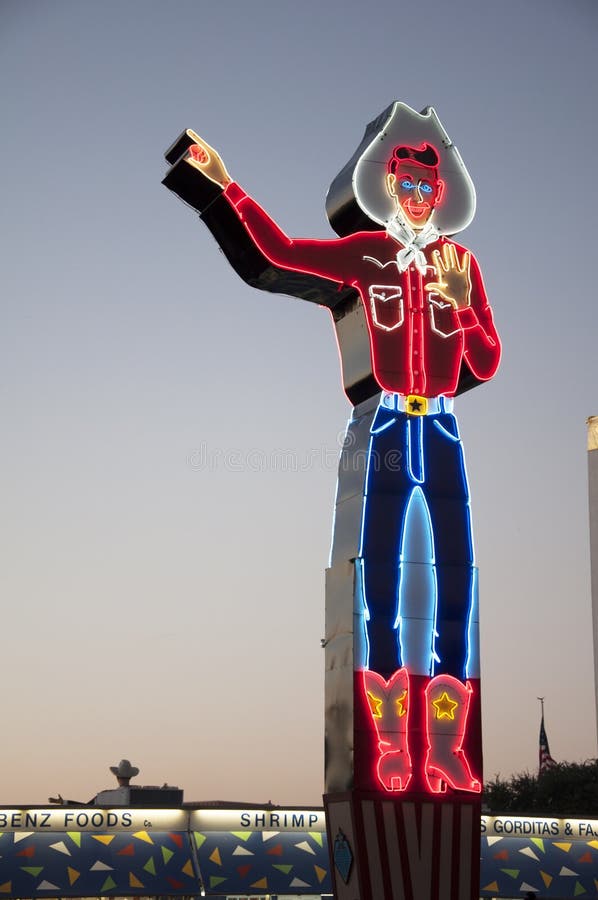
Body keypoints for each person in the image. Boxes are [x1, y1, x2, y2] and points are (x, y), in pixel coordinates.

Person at [166, 104, 501, 793]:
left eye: (424, 190)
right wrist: (224, 188)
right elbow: (274, 259)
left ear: (439, 195)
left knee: (456, 590)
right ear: (388, 189)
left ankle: (444, 748)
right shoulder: (366, 255)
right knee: (375, 583)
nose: (413, 199)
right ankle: (386, 747)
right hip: (381, 428)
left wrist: (462, 303)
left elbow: (486, 361)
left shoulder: (460, 264)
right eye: (403, 186)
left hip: (440, 432)